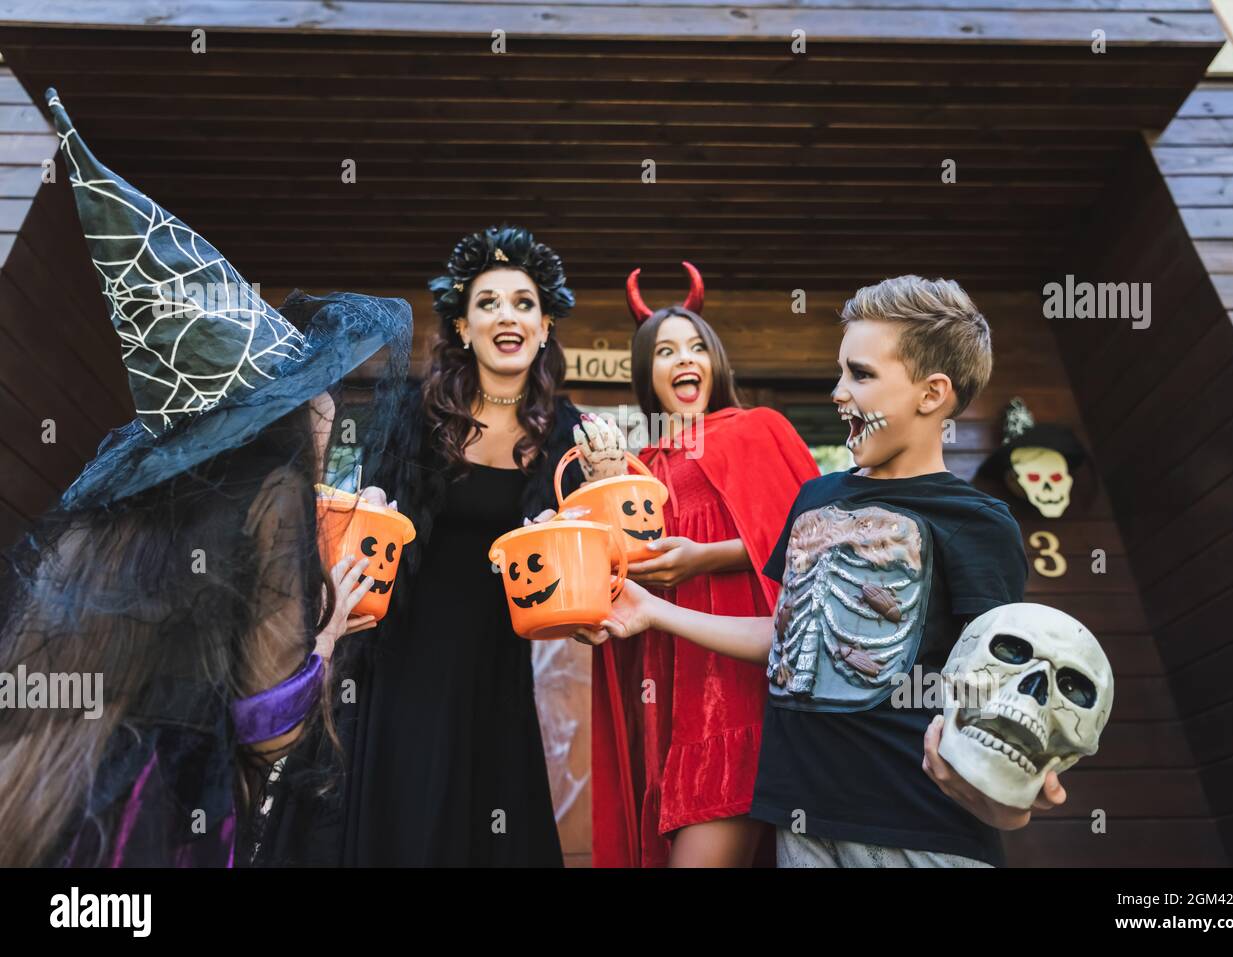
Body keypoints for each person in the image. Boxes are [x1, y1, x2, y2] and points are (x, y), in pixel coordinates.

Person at [0, 90, 412, 867]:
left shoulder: (95, 528)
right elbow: (271, 725)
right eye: (307, 401)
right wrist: (327, 628)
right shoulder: (269, 501)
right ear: (273, 436)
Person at [577, 275, 1068, 867]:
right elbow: (785, 636)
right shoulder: (816, 499)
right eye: (840, 373)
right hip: (803, 826)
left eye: (859, 375)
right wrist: (653, 610)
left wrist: (1011, 787)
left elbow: (994, 680)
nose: (838, 392)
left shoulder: (979, 522)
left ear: (931, 394)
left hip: (920, 831)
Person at [267, 225, 623, 867]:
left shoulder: (571, 431)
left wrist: (605, 484)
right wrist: (368, 510)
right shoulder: (415, 411)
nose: (506, 315)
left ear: (545, 328)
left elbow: (596, 554)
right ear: (463, 327)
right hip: (398, 659)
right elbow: (367, 515)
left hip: (493, 667)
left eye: (523, 302)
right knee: (396, 819)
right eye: (487, 303)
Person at [586, 263, 819, 867]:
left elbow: (820, 543)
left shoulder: (760, 429)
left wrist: (706, 558)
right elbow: (623, 573)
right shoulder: (639, 466)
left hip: (748, 690)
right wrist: (599, 501)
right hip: (672, 692)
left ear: (714, 362)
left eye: (696, 347)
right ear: (647, 374)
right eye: (665, 351)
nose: (684, 359)